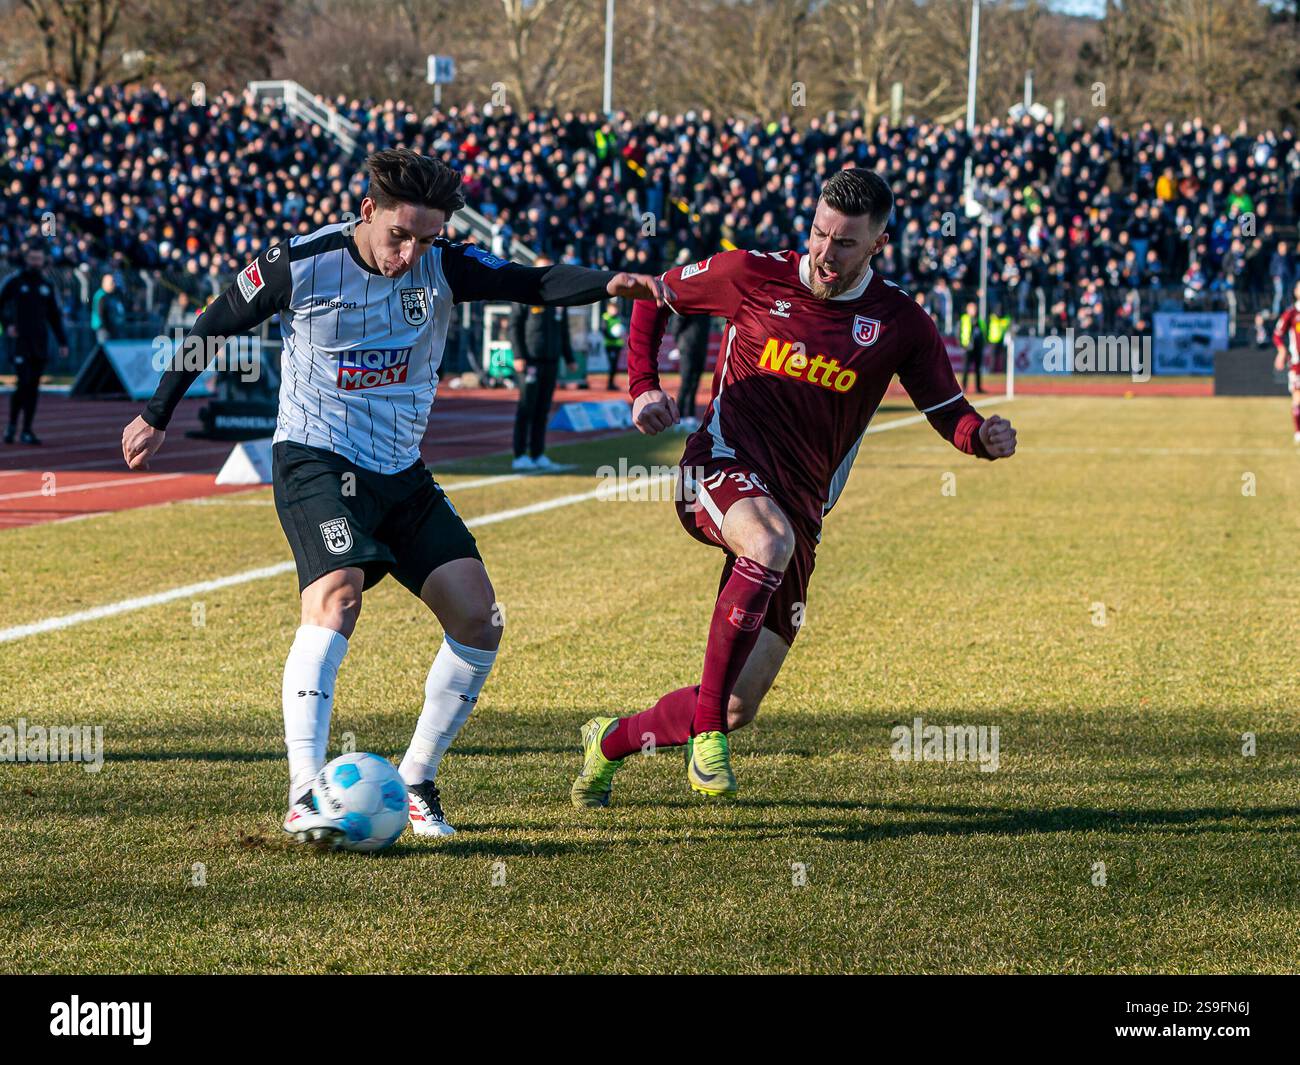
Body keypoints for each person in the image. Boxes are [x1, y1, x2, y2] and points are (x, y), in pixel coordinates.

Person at [120, 148, 668, 846]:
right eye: (399, 235)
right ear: (368, 211)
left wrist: (611, 283)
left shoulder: (443, 264)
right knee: (338, 593)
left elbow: (531, 282)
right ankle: (302, 792)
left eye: (427, 239)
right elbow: (213, 325)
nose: (410, 253)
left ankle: (415, 779)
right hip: (315, 458)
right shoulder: (300, 262)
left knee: (479, 616)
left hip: (400, 470)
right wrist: (157, 414)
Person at [570, 168, 1016, 805]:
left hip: (801, 514)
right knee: (767, 541)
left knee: (732, 706)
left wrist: (981, 437)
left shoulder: (900, 323)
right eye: (818, 234)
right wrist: (642, 385)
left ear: (878, 246)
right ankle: (703, 740)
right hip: (718, 467)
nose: (824, 253)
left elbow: (948, 409)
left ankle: (609, 741)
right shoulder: (753, 274)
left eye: (844, 244)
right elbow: (651, 294)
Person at [510, 256, 576, 471]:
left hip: (551, 360)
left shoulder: (558, 298)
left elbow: (563, 331)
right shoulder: (524, 294)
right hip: (530, 360)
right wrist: (519, 355)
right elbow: (514, 326)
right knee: (527, 407)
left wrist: (569, 357)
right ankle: (520, 454)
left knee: (543, 408)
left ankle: (538, 453)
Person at [0, 244, 68, 445]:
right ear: (26, 259)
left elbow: (55, 316)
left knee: (34, 386)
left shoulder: (47, 285)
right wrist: (8, 324)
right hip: (19, 342)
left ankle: (27, 429)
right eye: (32, 258)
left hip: (40, 342)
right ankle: (12, 425)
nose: (35, 262)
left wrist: (62, 341)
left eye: (39, 258)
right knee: (23, 382)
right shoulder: (14, 282)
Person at [671, 312, 711, 432]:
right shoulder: (688, 305)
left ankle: (690, 416)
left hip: (701, 347)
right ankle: (679, 417)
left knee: (695, 383)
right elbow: (676, 325)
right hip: (687, 347)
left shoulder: (707, 308)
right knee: (686, 382)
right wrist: (679, 343)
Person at [1272, 279, 1300, 443]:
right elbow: (1277, 334)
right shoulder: (1291, 313)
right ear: (1296, 292)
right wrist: (1282, 351)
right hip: (1297, 364)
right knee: (1297, 397)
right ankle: (1298, 432)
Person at [91, 273, 125, 343]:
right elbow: (100, 313)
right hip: (103, 329)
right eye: (112, 282)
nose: (114, 285)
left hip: (110, 328)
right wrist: (106, 327)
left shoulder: (111, 294)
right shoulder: (101, 296)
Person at [960, 300, 985, 393]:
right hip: (968, 348)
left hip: (978, 347)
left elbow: (983, 333)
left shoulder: (980, 320)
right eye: (971, 308)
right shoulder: (964, 319)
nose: (973, 310)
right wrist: (962, 344)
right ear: (967, 309)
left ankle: (978, 388)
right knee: (966, 369)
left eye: (974, 308)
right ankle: (964, 387)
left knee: (978, 369)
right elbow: (958, 332)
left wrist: (983, 344)